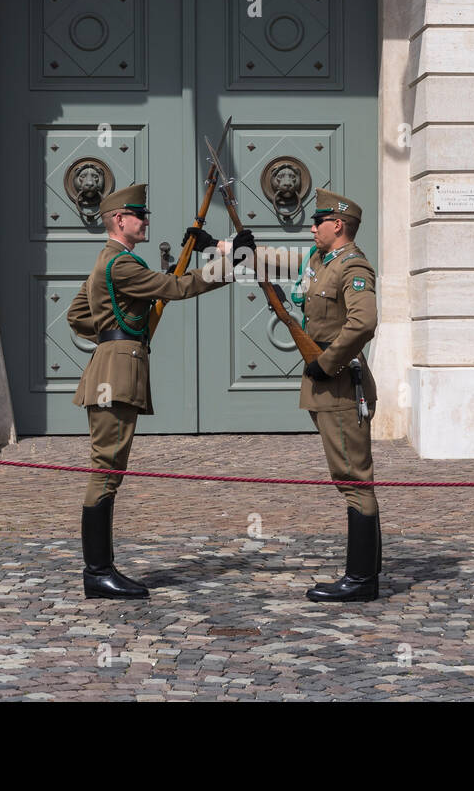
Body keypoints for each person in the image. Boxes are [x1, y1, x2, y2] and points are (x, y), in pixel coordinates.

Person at [67, 183, 253, 599]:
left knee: (107, 469)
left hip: (109, 364)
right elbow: (177, 288)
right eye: (140, 215)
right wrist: (231, 259)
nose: (146, 220)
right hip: (117, 373)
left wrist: (115, 327)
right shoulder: (121, 264)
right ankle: (98, 572)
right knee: (106, 470)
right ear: (119, 220)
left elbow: (78, 315)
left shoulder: (108, 262)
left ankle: (99, 570)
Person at [219, 188, 380, 602]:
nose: (310, 228)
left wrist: (327, 363)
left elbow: (363, 323)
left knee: (354, 480)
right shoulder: (318, 259)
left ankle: (361, 580)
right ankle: (366, 570)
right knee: (348, 478)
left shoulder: (353, 266)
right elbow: (279, 259)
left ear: (337, 225)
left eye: (317, 222)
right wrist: (224, 247)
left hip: (341, 383)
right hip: (324, 384)